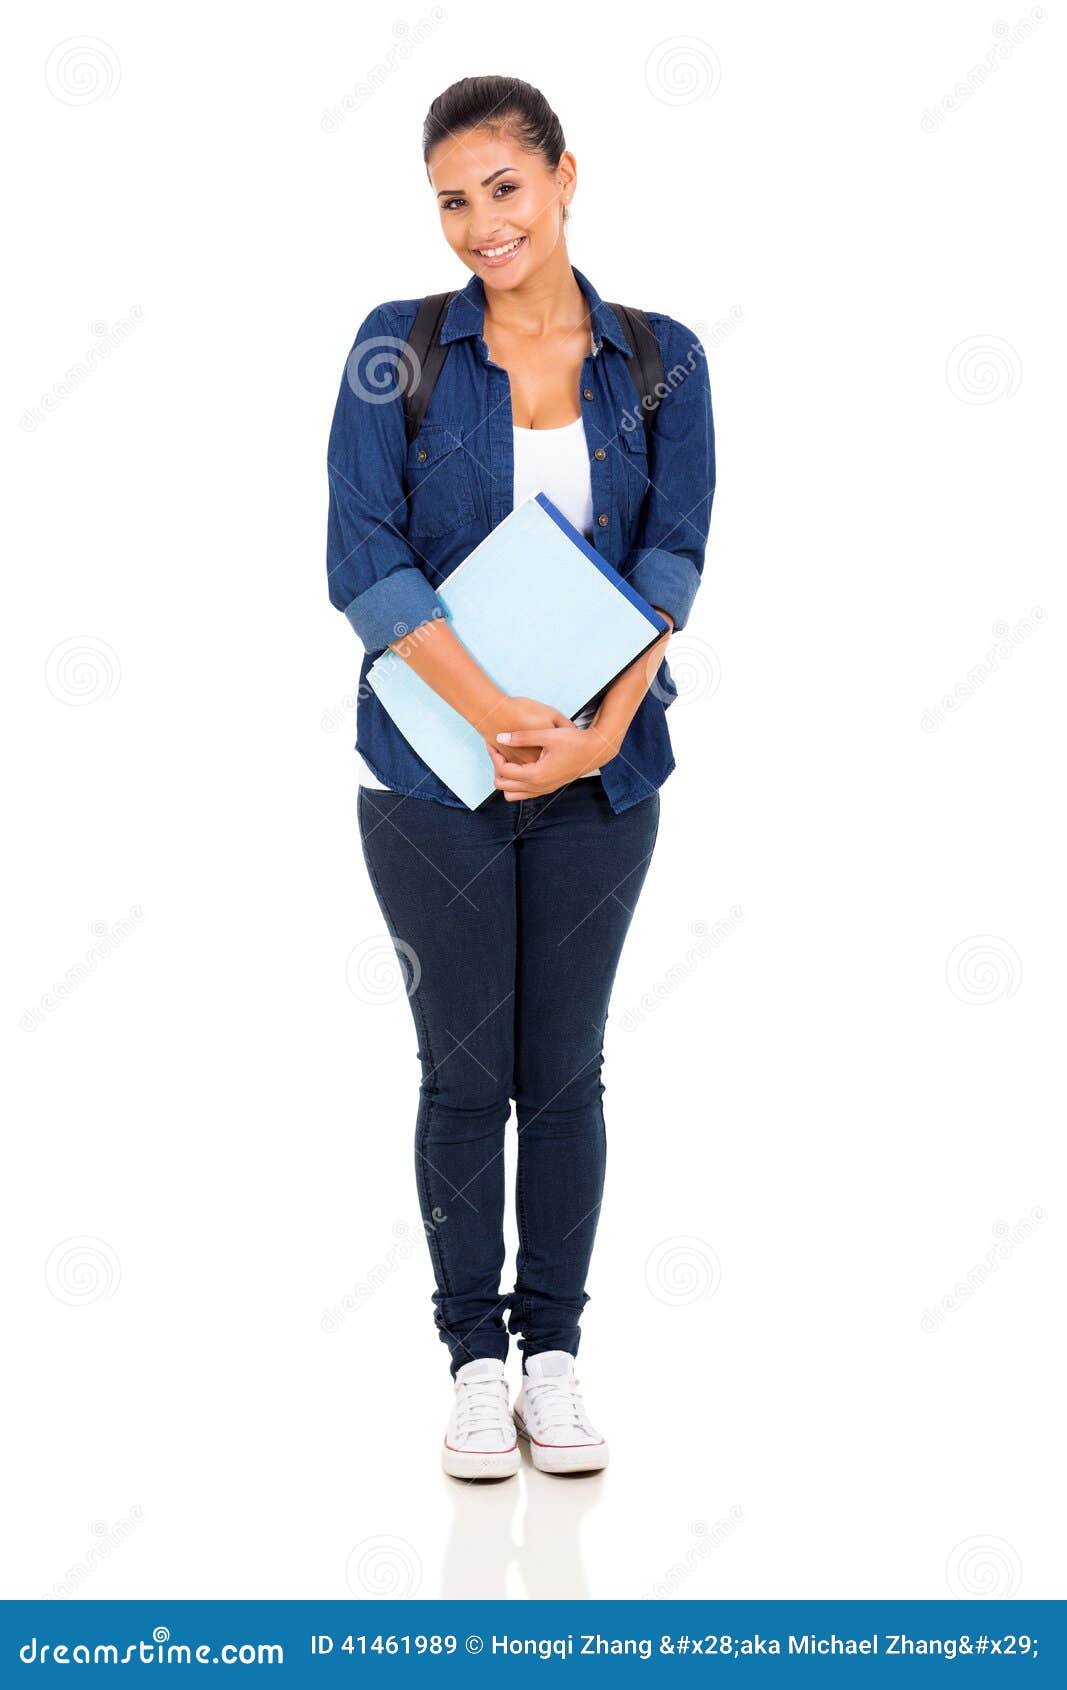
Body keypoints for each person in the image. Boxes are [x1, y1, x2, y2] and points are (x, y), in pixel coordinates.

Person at [326, 75, 715, 1478]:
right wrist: (497, 714)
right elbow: (364, 559)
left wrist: (604, 731)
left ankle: (553, 1353)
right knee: (462, 1071)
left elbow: (673, 555)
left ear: (563, 176)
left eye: (503, 186)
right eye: (451, 198)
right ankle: (472, 1365)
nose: (480, 223)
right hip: (433, 770)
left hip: (604, 775)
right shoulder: (400, 349)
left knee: (564, 1071)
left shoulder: (661, 357)